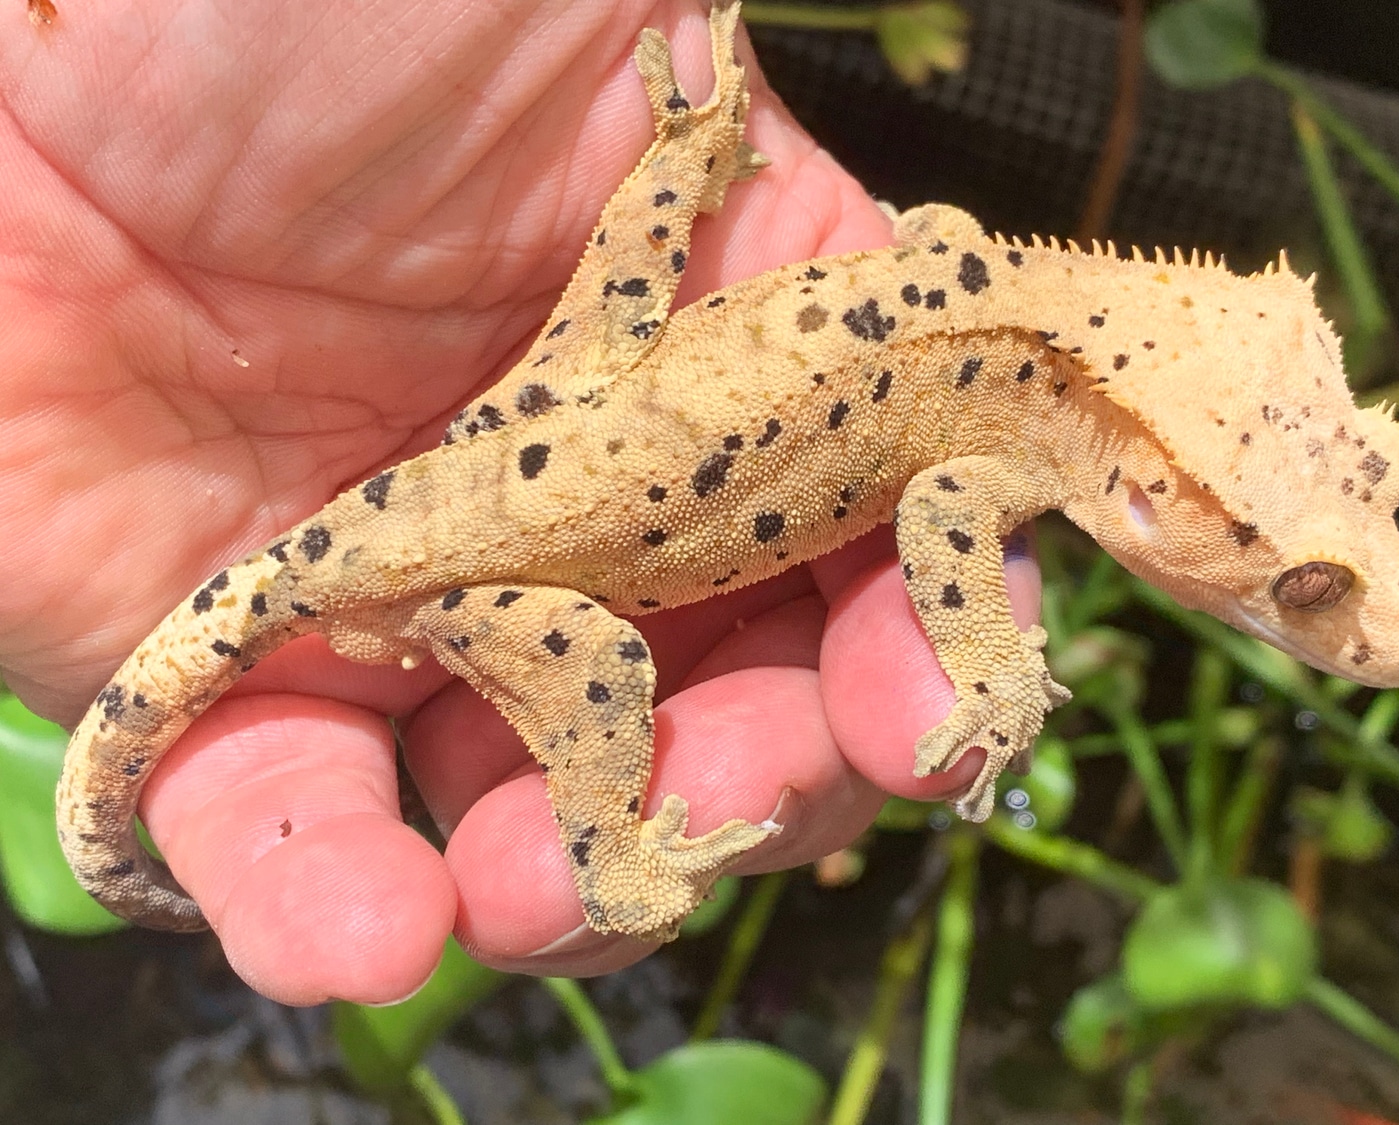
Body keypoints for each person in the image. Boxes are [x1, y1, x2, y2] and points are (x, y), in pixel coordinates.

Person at [0, 0, 1040, 1004]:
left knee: (616, 360)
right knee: (609, 666)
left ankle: (686, 149)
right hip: (483, 525)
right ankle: (613, 868)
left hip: (518, 455)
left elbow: (941, 234)